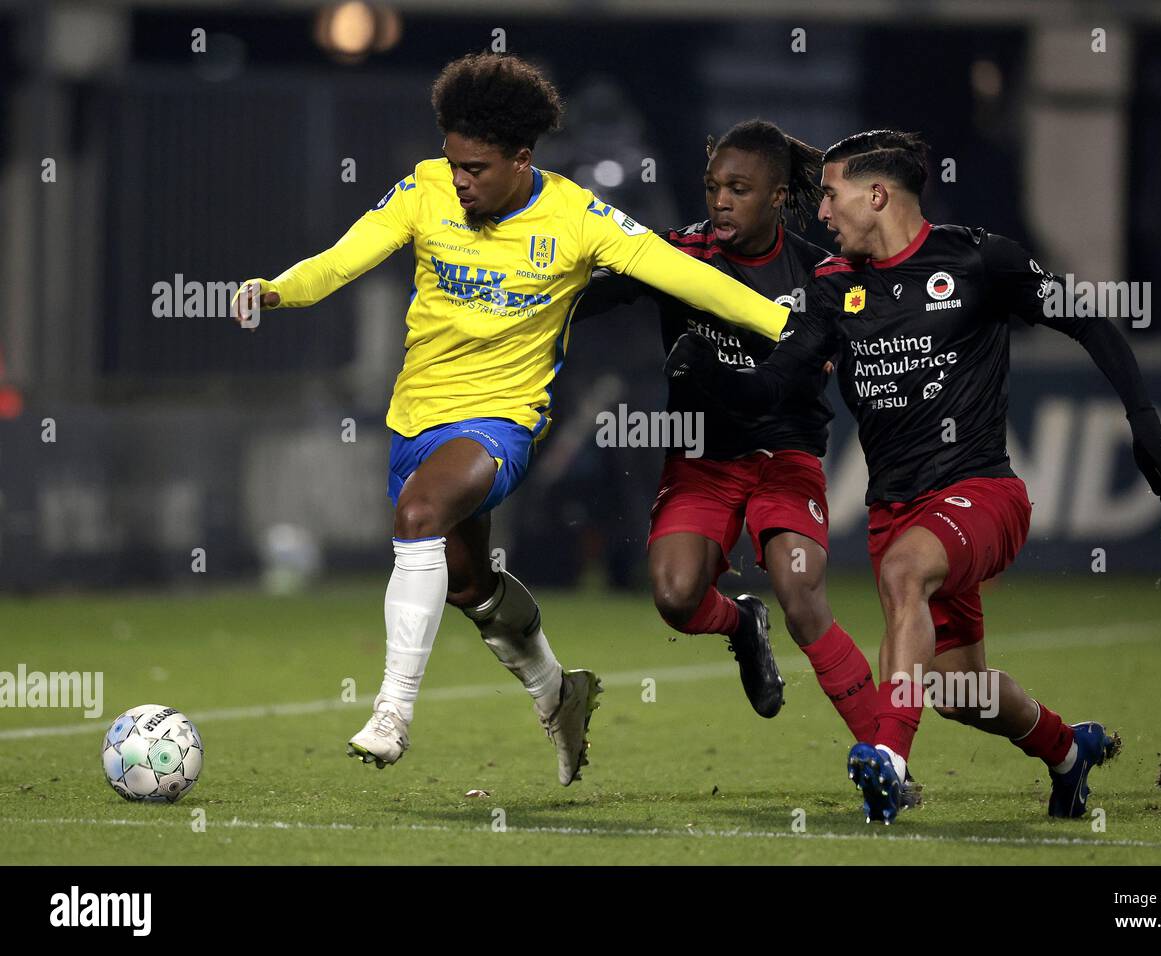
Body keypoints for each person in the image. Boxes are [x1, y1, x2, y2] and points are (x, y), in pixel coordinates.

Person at [230, 53, 793, 785]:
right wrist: (273, 291)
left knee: (419, 514)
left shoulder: (577, 217)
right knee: (468, 587)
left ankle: (393, 711)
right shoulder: (424, 191)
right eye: (453, 163)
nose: (460, 180)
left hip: (502, 423)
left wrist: (780, 324)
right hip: (416, 421)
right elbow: (341, 261)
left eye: (476, 168)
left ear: (522, 159)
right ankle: (559, 692)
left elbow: (679, 272)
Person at [666, 129, 1161, 821]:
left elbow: (1086, 320)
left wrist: (1145, 422)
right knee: (957, 688)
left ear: (877, 195)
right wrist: (714, 373)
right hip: (895, 511)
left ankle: (889, 759)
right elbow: (776, 385)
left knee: (904, 575)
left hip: (983, 494)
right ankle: (1068, 750)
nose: (821, 214)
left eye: (831, 196)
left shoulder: (976, 259)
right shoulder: (832, 286)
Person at [573, 120, 888, 763]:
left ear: (776, 197)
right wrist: (520, 303)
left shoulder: (819, 275)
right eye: (714, 186)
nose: (720, 201)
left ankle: (886, 756)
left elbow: (792, 383)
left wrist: (707, 365)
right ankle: (741, 622)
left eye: (739, 189)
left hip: (785, 458)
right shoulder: (680, 254)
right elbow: (598, 294)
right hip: (702, 460)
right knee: (674, 596)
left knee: (800, 594)